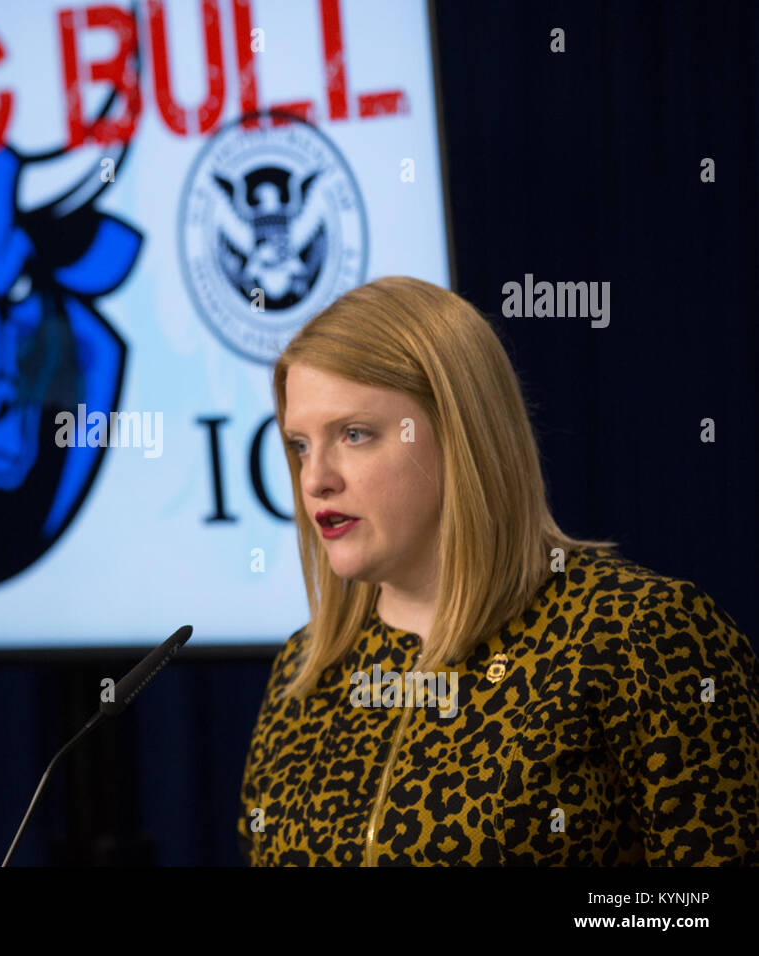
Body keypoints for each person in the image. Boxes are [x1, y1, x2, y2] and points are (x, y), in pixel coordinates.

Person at [237, 275, 759, 865]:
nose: (315, 479)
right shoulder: (304, 671)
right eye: (300, 444)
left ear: (462, 436)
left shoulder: (638, 634)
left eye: (354, 434)